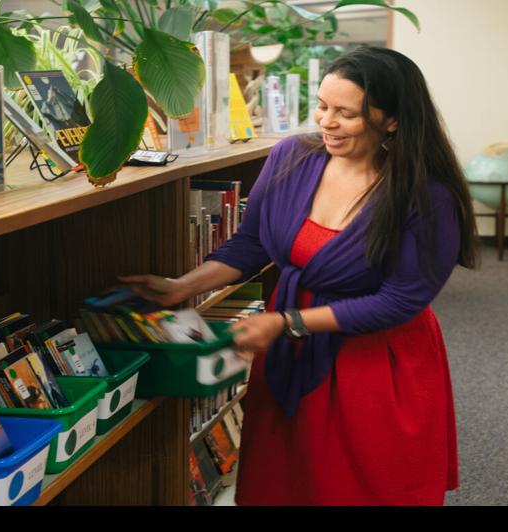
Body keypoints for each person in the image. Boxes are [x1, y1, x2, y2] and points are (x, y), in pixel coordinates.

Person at [120, 47, 479, 506]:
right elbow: (252, 244)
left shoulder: (426, 195)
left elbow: (400, 300)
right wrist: (182, 287)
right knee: (287, 482)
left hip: (374, 364)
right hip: (291, 349)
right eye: (323, 106)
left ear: (391, 120)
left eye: (345, 114)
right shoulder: (292, 157)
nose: (326, 122)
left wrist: (287, 323)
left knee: (364, 487)